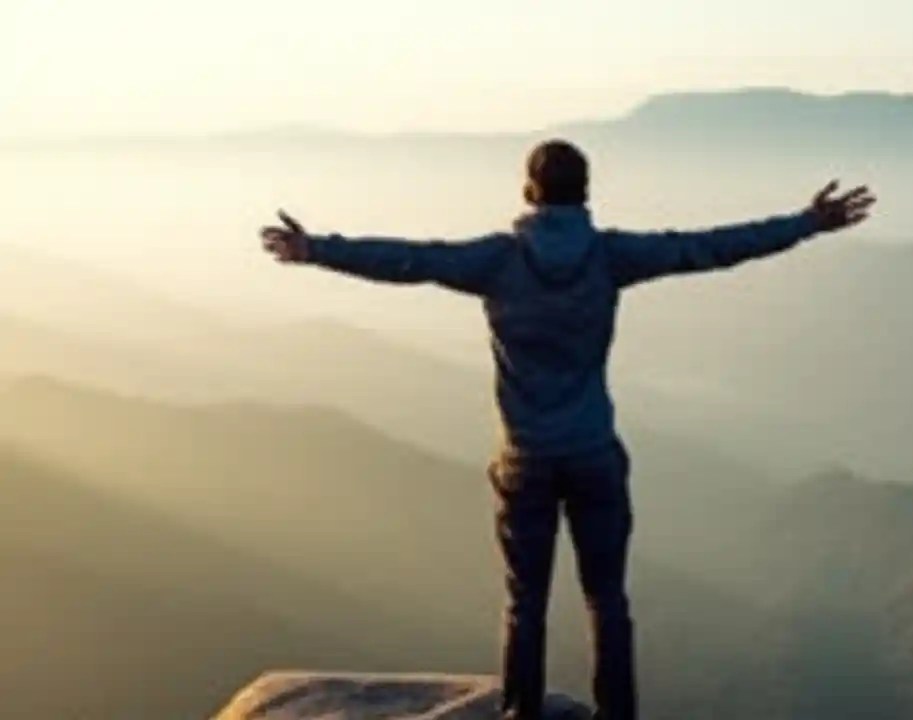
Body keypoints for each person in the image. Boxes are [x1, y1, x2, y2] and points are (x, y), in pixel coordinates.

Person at [260, 139, 876, 720]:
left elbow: (410, 261)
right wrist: (806, 223)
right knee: (607, 600)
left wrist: (317, 249)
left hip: (524, 459)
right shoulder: (610, 256)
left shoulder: (496, 260)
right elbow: (708, 247)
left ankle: (521, 712)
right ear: (585, 194)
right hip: (593, 455)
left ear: (529, 193)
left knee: (525, 602)